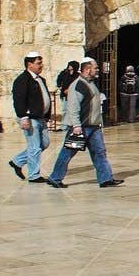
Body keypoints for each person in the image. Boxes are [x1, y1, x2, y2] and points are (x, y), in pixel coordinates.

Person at [45, 58, 122, 189]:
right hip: (82, 127)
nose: (97, 70)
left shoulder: (90, 83)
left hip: (93, 127)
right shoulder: (78, 85)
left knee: (99, 152)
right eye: (95, 68)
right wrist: (76, 125)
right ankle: (55, 178)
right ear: (87, 69)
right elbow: (73, 106)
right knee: (68, 152)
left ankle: (105, 179)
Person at [7, 51, 53, 183]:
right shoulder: (22, 80)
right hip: (30, 118)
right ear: (29, 64)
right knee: (35, 147)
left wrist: (46, 115)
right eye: (38, 63)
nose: (41, 65)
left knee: (44, 143)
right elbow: (19, 100)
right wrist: (23, 117)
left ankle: (17, 161)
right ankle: (34, 175)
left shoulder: (40, 79)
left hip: (40, 117)